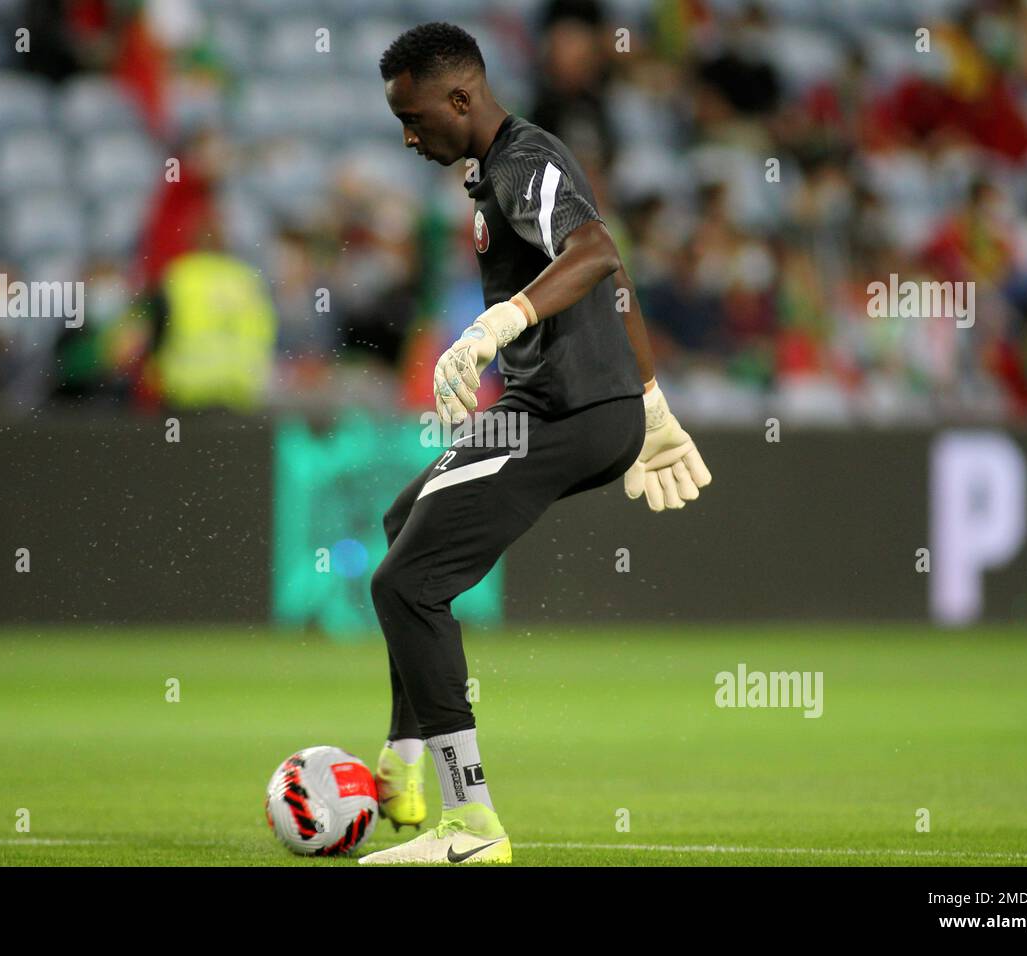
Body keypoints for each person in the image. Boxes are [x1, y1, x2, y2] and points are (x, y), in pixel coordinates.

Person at [360, 23, 712, 865]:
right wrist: (653, 401)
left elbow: (597, 250)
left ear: (461, 97)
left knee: (407, 585)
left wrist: (499, 321)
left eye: (415, 117)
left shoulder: (524, 160)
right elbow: (614, 281)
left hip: (566, 411)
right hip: (571, 406)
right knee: (401, 526)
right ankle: (405, 764)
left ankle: (472, 826)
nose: (409, 136)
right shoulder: (495, 172)